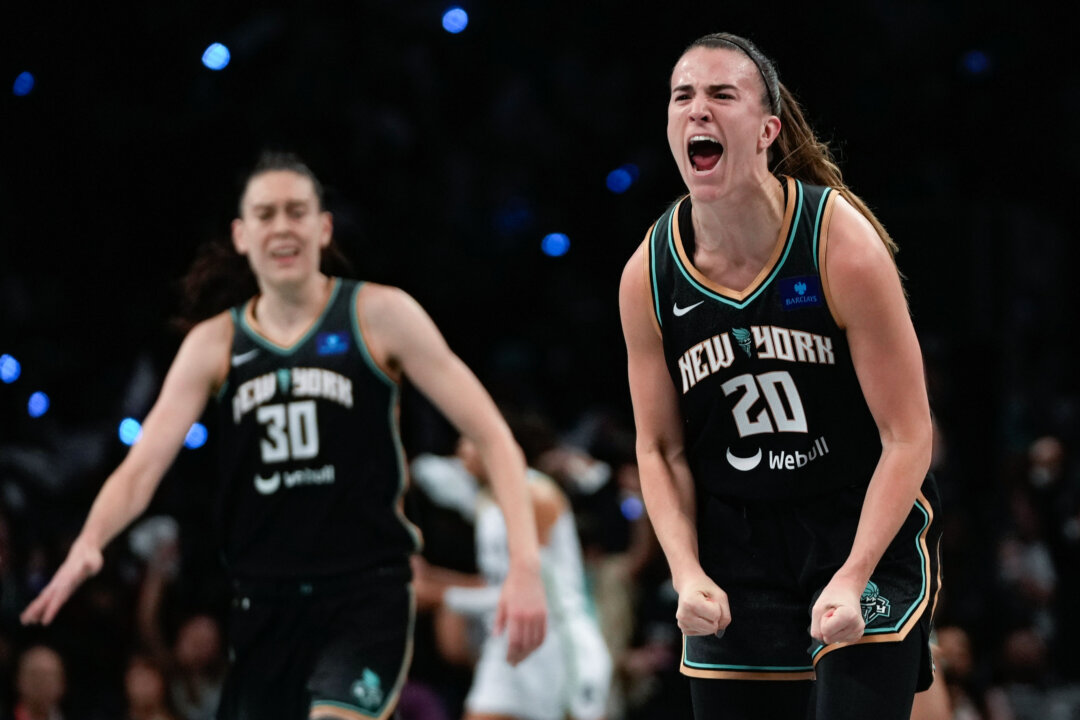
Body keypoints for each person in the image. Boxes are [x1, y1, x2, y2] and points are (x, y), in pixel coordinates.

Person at [20, 151, 547, 720]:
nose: (282, 226)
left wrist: (524, 566)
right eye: (266, 214)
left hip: (364, 596)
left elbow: (494, 437)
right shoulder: (214, 342)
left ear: (323, 228)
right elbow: (141, 468)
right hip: (264, 605)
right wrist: (89, 542)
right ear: (242, 236)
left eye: (297, 211)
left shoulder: (380, 315)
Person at [617, 33, 942, 720]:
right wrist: (687, 572)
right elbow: (659, 448)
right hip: (737, 545)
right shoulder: (648, 274)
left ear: (767, 131)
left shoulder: (839, 245)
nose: (697, 110)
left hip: (857, 525)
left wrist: (853, 576)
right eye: (683, 97)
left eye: (720, 95)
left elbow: (908, 432)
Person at [412, 434, 613, 720]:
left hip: (555, 641)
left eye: (467, 440)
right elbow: (495, 583)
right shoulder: (485, 499)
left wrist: (440, 596)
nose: (459, 452)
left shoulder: (536, 495)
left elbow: (529, 592)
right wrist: (430, 577)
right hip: (507, 643)